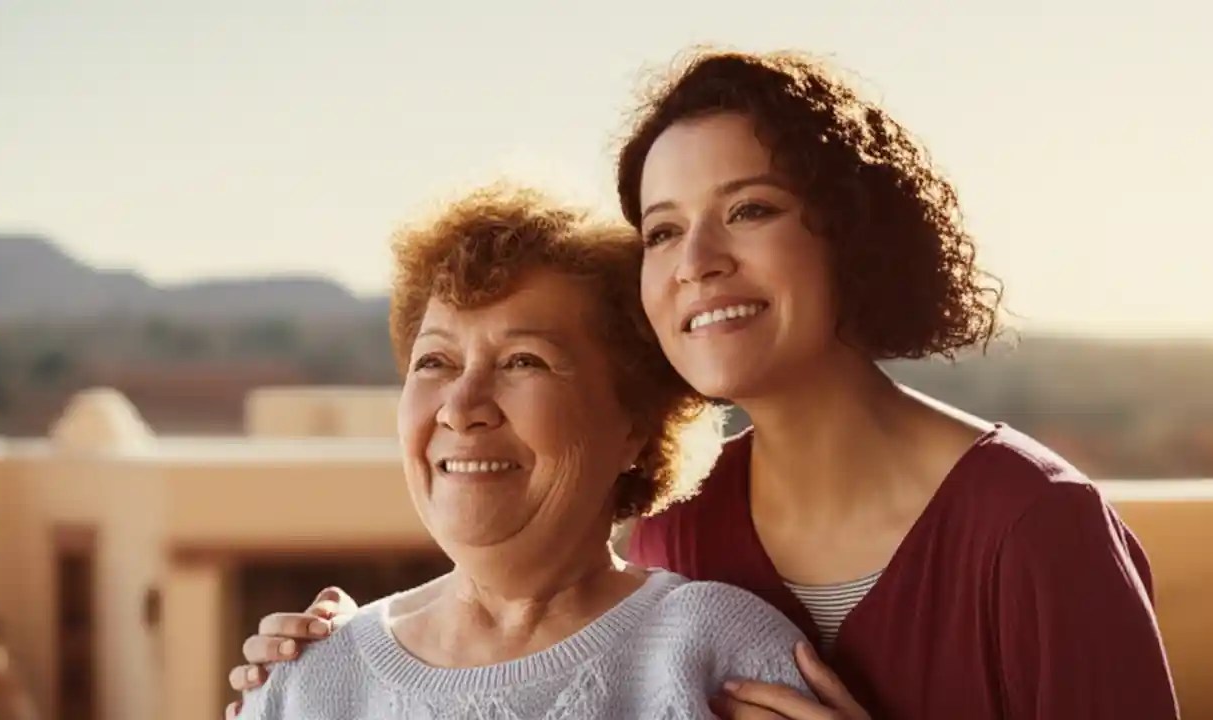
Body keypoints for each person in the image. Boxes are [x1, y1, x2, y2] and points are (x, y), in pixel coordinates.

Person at [230, 50, 1179, 719]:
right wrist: (349, 662)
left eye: (750, 210)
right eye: (662, 230)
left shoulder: (1033, 528)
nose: (698, 262)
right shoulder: (677, 527)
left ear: (850, 233)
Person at [234, 184, 828, 719]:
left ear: (635, 426)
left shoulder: (717, 653)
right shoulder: (306, 680)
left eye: (524, 361)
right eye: (435, 362)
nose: (462, 406)